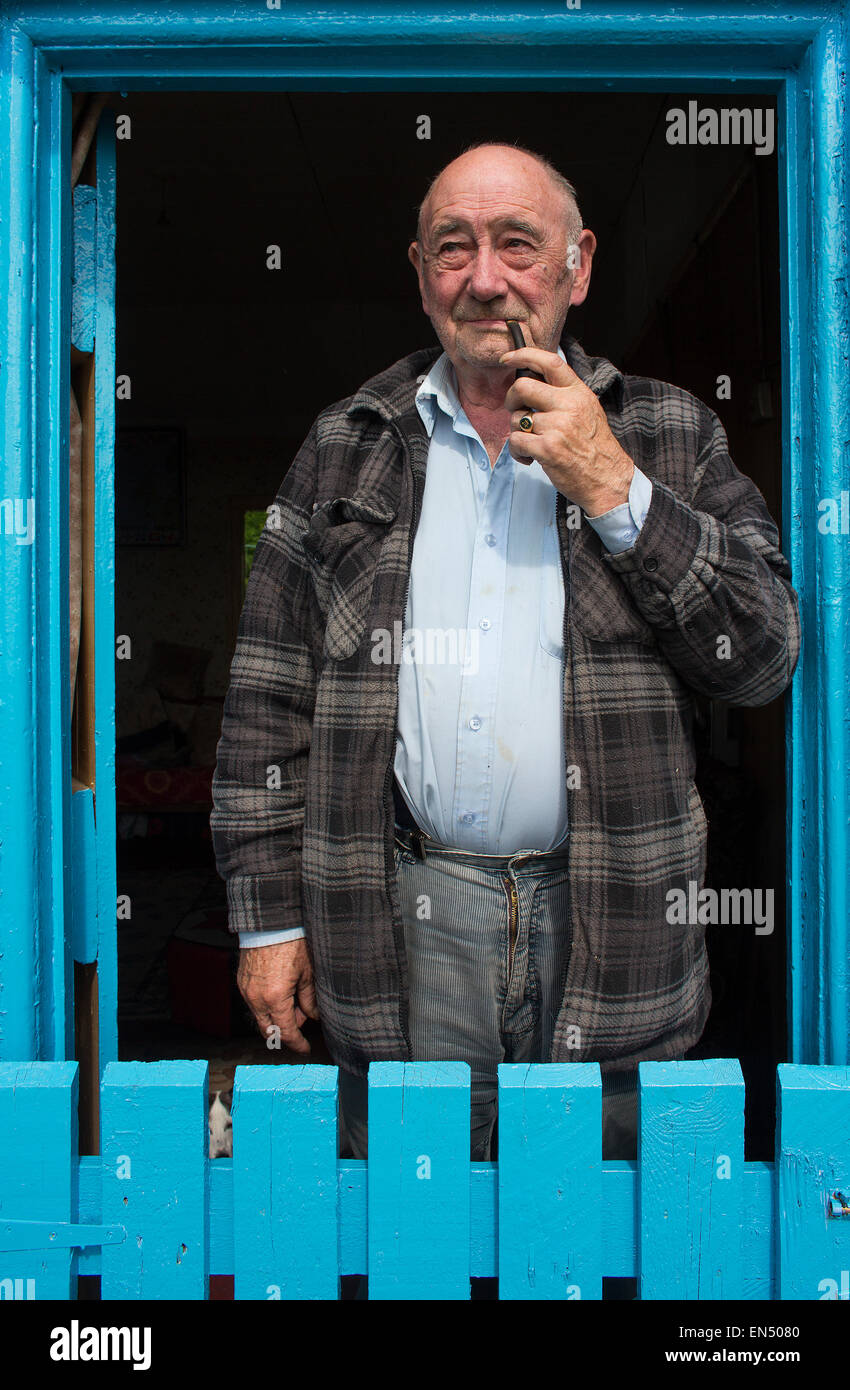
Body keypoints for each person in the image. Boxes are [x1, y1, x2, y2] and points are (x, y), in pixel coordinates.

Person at [210, 142, 800, 1163]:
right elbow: (267, 695)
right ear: (421, 272)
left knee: (602, 1216)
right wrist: (266, 924)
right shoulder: (344, 441)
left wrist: (611, 483)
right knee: (416, 1217)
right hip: (400, 917)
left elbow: (760, 657)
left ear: (577, 266)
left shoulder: (667, 432)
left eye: (517, 244)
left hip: (615, 912)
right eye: (454, 248)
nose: (484, 277)